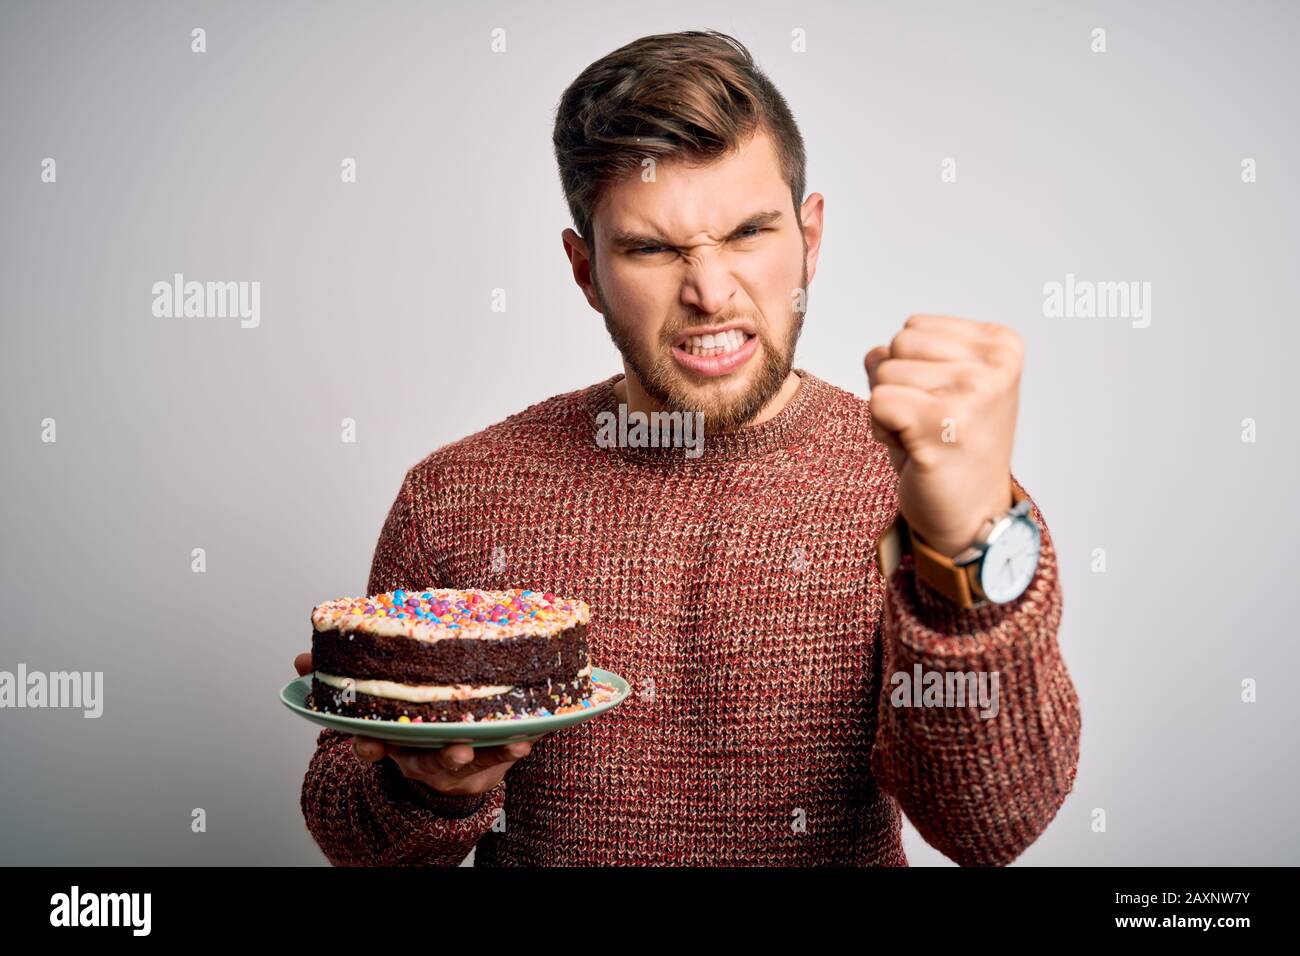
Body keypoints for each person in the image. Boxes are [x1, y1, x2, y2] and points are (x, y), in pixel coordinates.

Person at [296, 29, 1081, 866]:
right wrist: (426, 785)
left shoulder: (929, 487)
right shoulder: (457, 495)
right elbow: (355, 839)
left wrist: (965, 548)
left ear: (808, 239)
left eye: (749, 233)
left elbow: (994, 826)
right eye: (651, 248)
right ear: (585, 270)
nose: (710, 292)